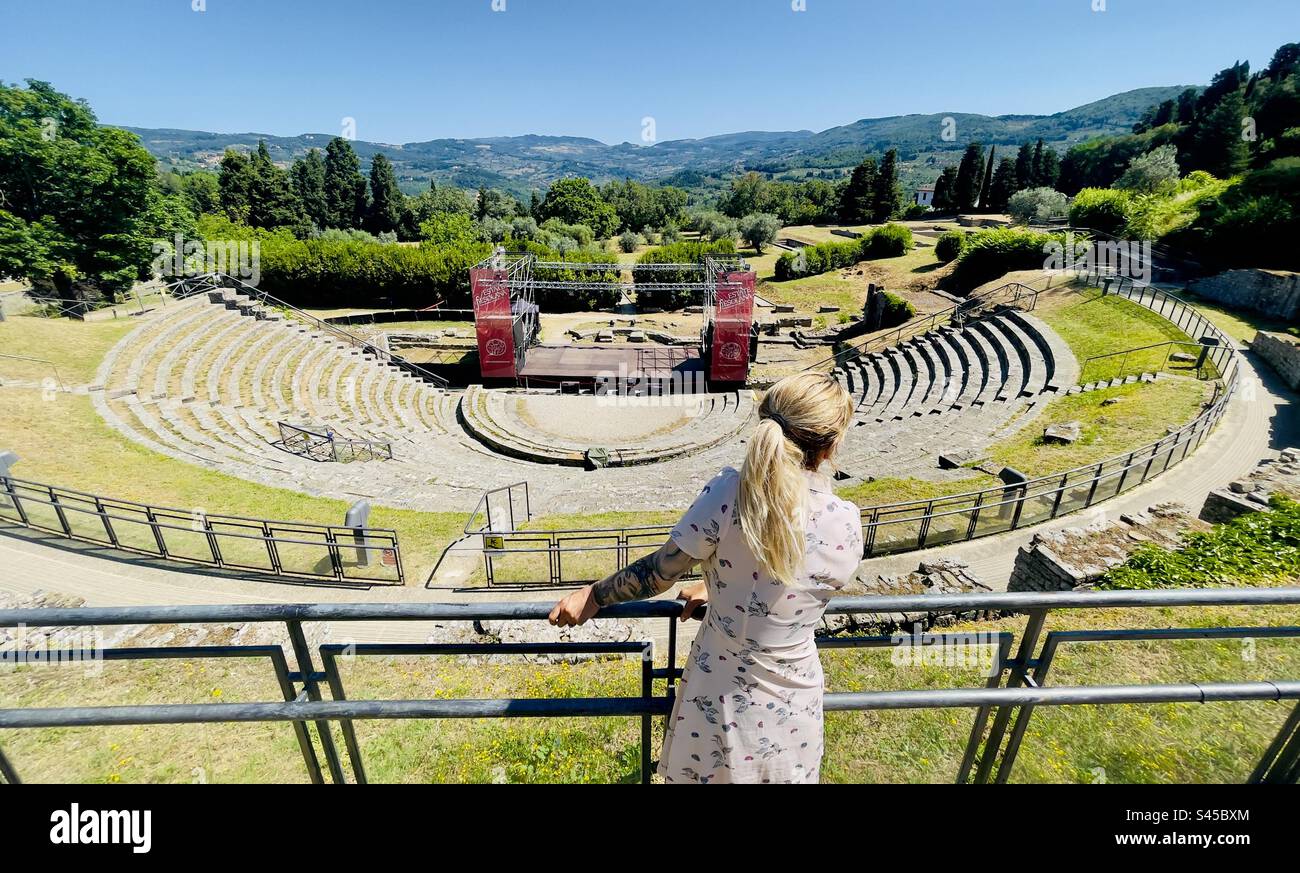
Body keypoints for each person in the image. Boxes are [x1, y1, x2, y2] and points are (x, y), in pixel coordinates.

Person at [549, 371, 862, 783]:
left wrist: (595, 594)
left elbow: (661, 573)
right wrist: (721, 588)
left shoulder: (728, 493)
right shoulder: (846, 522)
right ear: (830, 445)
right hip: (793, 703)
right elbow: (788, 588)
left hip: (717, 693)